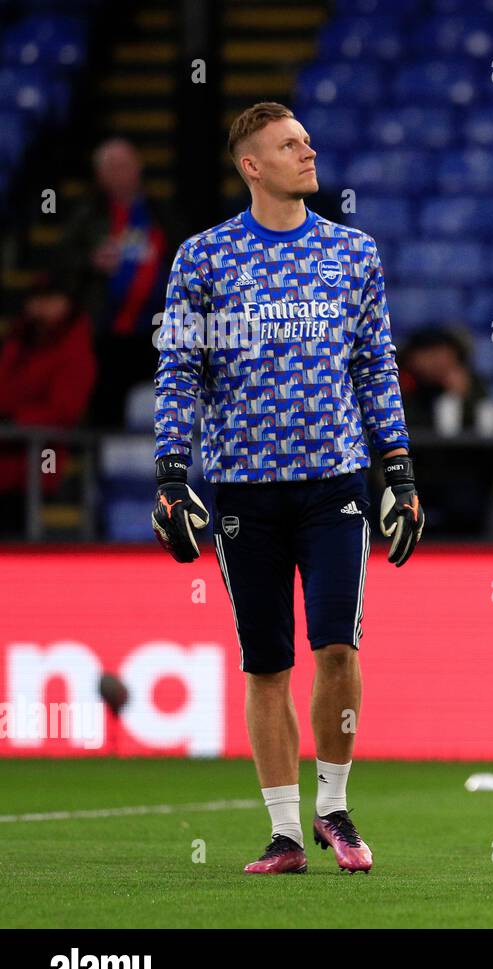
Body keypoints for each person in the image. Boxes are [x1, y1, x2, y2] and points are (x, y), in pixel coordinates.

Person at [151, 101, 426, 876]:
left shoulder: (353, 254)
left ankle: (334, 807)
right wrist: (173, 472)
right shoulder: (203, 260)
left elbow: (375, 364)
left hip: (333, 483)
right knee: (265, 663)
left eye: (306, 140)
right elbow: (181, 370)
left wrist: (397, 469)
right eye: (288, 144)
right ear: (252, 165)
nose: (308, 152)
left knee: (338, 646)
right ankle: (284, 832)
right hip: (242, 488)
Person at [60, 138, 178, 427]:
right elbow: (60, 267)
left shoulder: (162, 213)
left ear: (138, 167)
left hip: (154, 334)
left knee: (157, 413)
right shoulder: (86, 217)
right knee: (106, 413)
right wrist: (90, 262)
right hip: (104, 335)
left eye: (124, 165)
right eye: (111, 167)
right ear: (99, 175)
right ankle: (98, 471)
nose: (120, 173)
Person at [0, 273, 96, 536]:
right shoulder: (19, 341)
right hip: (8, 444)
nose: (41, 306)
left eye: (50, 299)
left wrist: (15, 420)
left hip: (46, 452)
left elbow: (64, 411)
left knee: (40, 468)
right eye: (37, 299)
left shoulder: (75, 348)